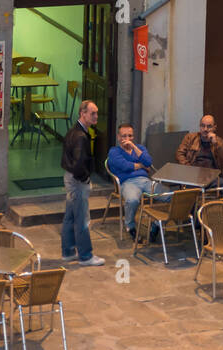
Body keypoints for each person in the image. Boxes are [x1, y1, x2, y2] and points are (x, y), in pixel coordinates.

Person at [60, 100, 105, 266]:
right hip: (77, 180)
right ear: (82, 113)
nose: (96, 116)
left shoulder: (75, 131)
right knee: (82, 219)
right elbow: (79, 163)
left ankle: (68, 252)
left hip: (71, 177)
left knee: (70, 216)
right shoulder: (80, 136)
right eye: (92, 113)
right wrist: (85, 177)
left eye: (97, 113)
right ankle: (86, 256)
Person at [107, 123, 155, 239]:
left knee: (170, 196)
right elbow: (125, 166)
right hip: (127, 182)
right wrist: (142, 166)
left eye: (130, 136)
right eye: (124, 136)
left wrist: (134, 147)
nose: (127, 139)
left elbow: (148, 162)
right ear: (118, 137)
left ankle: (157, 224)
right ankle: (130, 226)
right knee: (132, 200)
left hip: (145, 180)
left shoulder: (140, 148)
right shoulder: (114, 151)